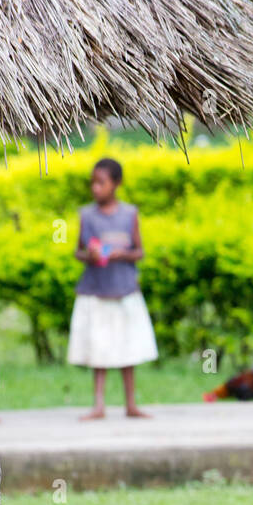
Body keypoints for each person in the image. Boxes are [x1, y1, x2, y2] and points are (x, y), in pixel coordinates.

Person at [68, 157, 157, 420]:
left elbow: (139, 251)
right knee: (99, 347)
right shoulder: (86, 215)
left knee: (127, 346)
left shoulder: (130, 214)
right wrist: (91, 255)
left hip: (124, 289)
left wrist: (121, 254)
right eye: (93, 183)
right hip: (96, 289)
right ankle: (99, 405)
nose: (96, 188)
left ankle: (131, 404)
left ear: (116, 184)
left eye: (101, 183)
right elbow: (78, 251)